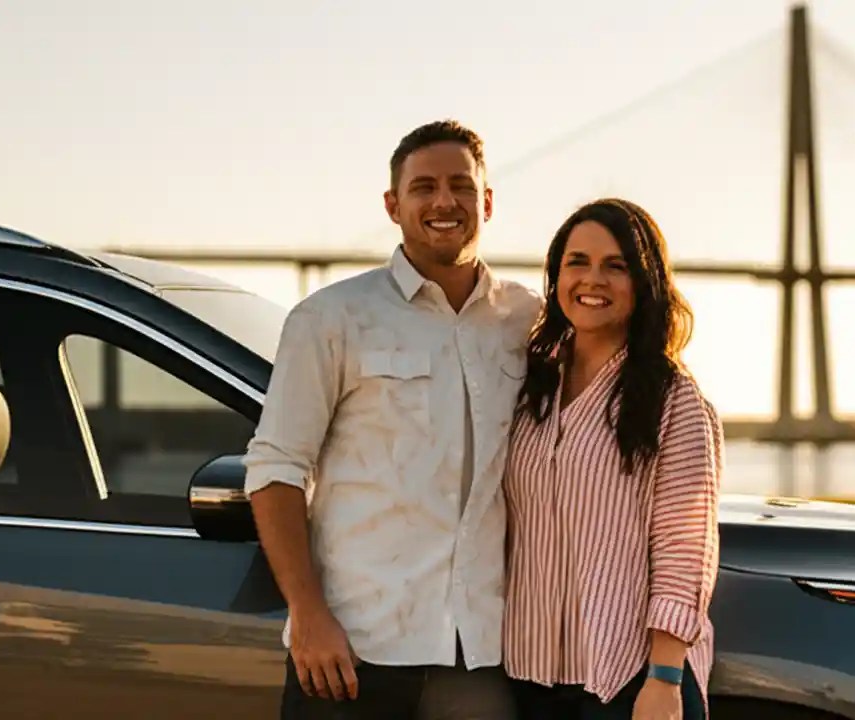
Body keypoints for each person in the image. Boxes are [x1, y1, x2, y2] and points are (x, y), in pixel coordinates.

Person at [242, 119, 542, 719]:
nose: (443, 202)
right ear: (392, 204)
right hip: (352, 651)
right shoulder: (332, 317)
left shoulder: (527, 321)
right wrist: (307, 616)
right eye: (423, 187)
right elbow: (276, 468)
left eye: (461, 185)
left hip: (481, 654)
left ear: (486, 201)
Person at [501, 198, 723, 719]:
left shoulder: (674, 400)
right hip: (531, 670)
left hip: (629, 676)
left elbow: (685, 548)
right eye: (577, 262)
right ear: (557, 276)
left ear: (643, 282)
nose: (592, 280)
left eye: (615, 266)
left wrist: (664, 679)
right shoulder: (529, 387)